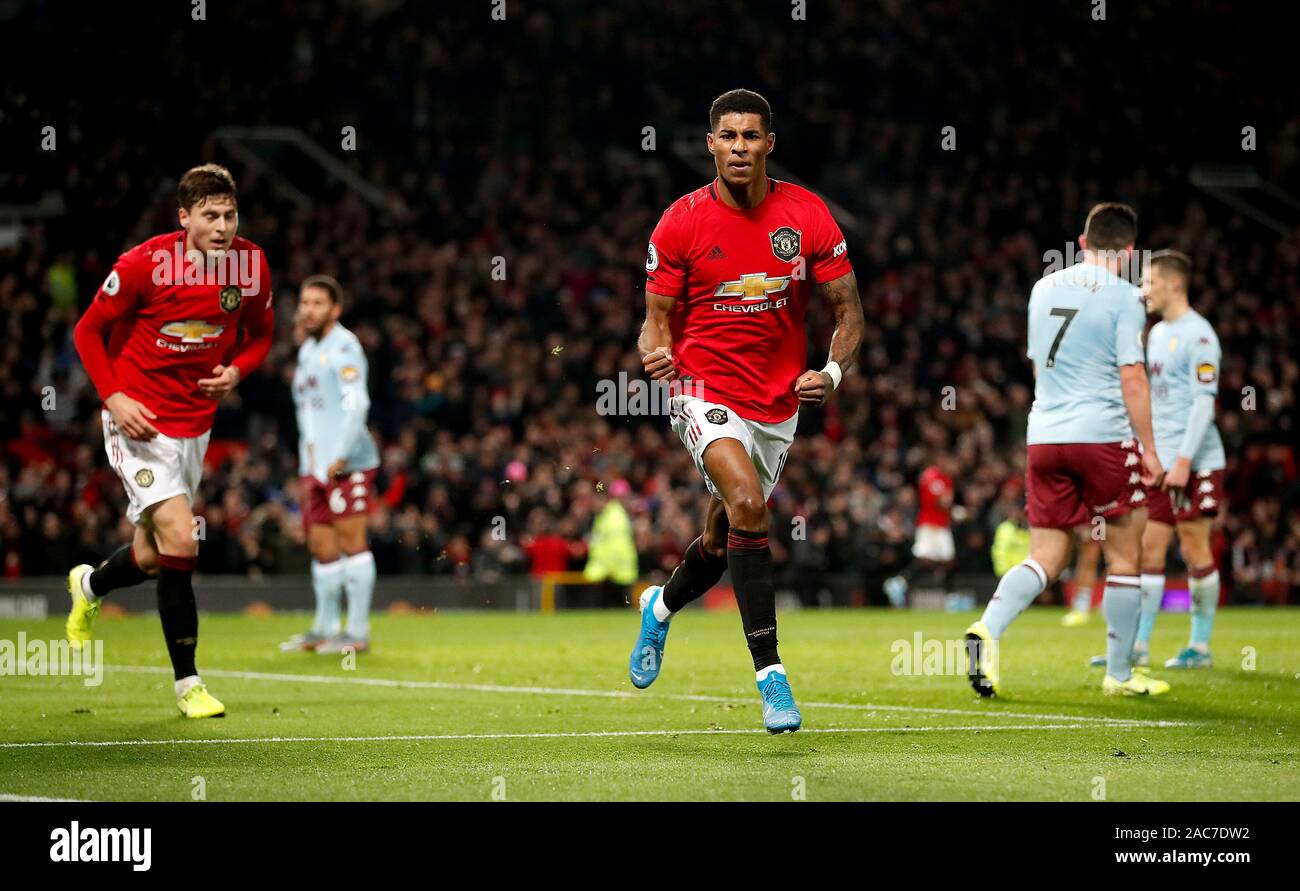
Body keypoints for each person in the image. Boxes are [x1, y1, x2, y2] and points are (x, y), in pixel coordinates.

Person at [627, 89, 864, 733]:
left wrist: (832, 370)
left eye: (751, 136)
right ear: (711, 144)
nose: (739, 147)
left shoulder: (807, 215)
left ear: (769, 144)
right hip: (702, 388)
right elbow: (654, 325)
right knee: (752, 506)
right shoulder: (680, 222)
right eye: (727, 136)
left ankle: (660, 608)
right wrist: (656, 355)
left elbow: (848, 311)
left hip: (776, 402)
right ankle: (772, 676)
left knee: (721, 534)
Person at [66, 163, 273, 717]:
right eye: (210, 216)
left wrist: (237, 373)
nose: (223, 226)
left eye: (230, 214)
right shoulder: (143, 265)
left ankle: (88, 587)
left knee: (152, 556)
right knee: (182, 541)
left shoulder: (250, 266)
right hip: (139, 419)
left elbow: (260, 335)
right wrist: (113, 397)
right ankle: (189, 685)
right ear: (184, 217)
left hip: (196, 422)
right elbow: (87, 331)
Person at [963, 203, 1167, 698]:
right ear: (1130, 252)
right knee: (1124, 557)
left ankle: (987, 629)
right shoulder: (1125, 296)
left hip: (1046, 437)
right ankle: (1118, 674)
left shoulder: (1043, 287)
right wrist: (1151, 450)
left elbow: (1038, 367)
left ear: (1081, 241)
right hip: (1102, 436)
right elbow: (1133, 377)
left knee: (1046, 556)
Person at [282, 275, 380, 654]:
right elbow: (308, 411)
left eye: (318, 303)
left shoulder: (345, 347)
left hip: (349, 462)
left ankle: (357, 632)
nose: (308, 310)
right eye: (304, 303)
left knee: (352, 542)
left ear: (334, 310)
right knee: (322, 545)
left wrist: (340, 453)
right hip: (317, 466)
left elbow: (357, 404)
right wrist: (310, 462)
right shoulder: (308, 350)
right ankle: (324, 627)